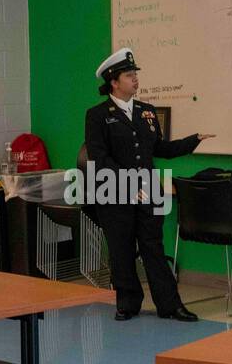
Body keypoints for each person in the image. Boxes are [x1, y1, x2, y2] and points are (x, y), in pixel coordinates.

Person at [84, 48, 214, 321]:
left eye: (135, 74)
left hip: (147, 193)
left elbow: (161, 149)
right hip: (114, 192)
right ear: (114, 82)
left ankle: (170, 305)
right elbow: (99, 157)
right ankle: (128, 303)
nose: (135, 79)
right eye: (129, 75)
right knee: (121, 250)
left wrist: (193, 140)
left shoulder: (146, 112)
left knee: (153, 248)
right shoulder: (97, 115)